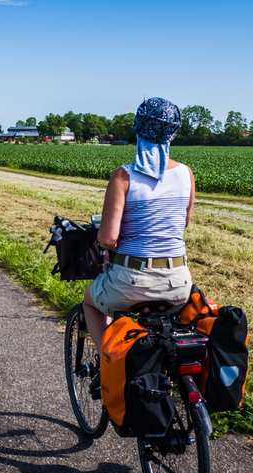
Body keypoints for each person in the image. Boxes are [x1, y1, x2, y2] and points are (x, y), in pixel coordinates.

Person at [83, 97, 195, 351]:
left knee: (89, 301)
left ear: (138, 130)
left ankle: (108, 359)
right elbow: (183, 223)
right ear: (173, 133)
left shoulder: (124, 176)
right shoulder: (186, 174)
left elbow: (108, 239)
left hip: (132, 282)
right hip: (178, 284)